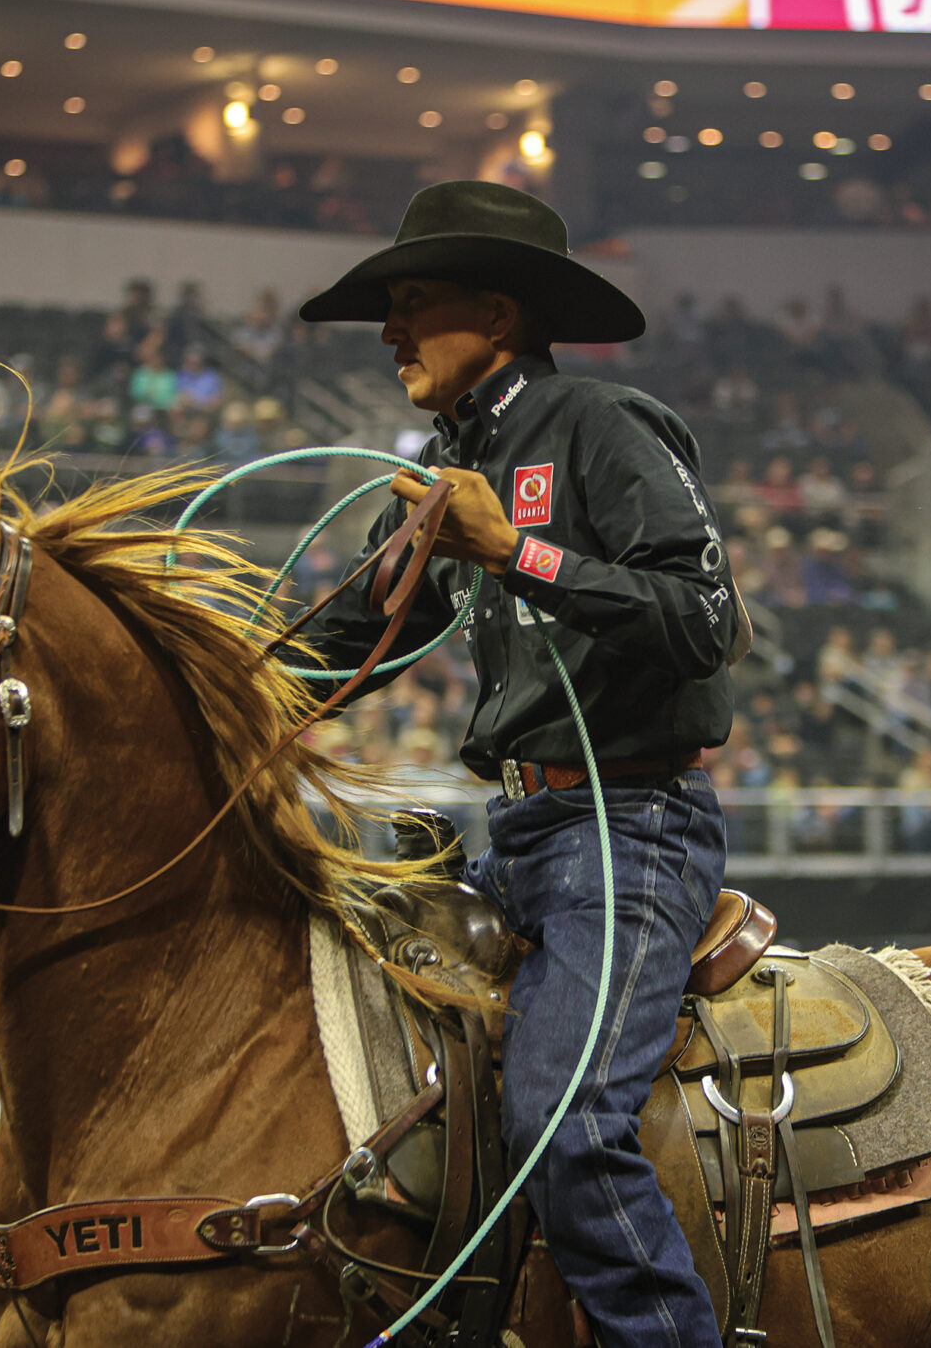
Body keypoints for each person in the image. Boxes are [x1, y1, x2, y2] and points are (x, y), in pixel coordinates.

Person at [287, 181, 745, 1348]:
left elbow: (705, 618)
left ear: (496, 315)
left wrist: (516, 551)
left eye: (411, 303)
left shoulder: (600, 422)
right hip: (522, 840)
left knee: (566, 1124)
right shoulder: (437, 471)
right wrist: (196, 683)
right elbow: (344, 643)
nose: (389, 330)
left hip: (629, 826)